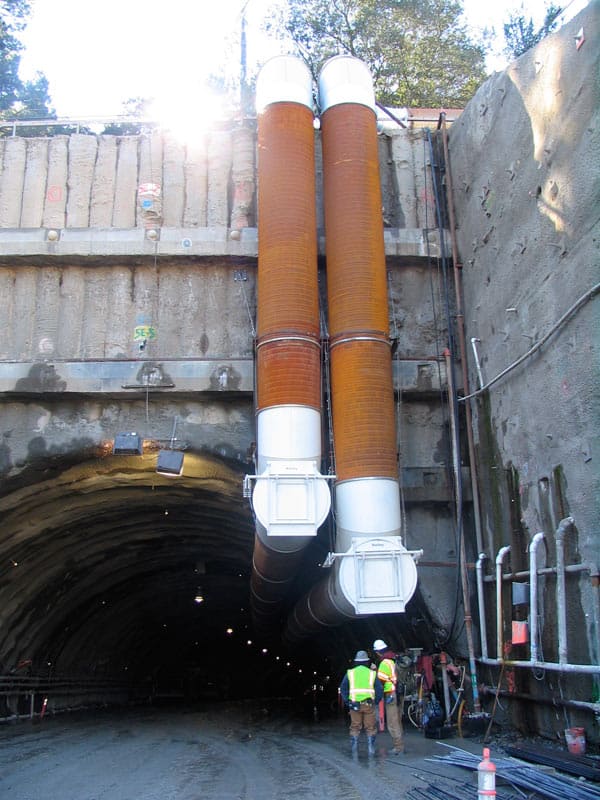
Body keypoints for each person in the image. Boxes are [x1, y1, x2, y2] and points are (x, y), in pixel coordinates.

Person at [339, 650, 383, 755]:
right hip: (368, 705)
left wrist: (347, 701)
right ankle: (370, 748)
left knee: (355, 726)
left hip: (354, 705)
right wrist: (376, 701)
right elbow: (379, 689)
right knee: (370, 727)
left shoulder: (350, 673)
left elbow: (343, 688)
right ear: (367, 661)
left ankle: (354, 748)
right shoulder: (372, 674)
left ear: (356, 661)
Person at [373, 638, 405, 753]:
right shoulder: (393, 660)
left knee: (392, 722)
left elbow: (380, 681)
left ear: (378, 652)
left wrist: (374, 671)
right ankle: (399, 745)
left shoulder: (384, 663)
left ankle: (398, 747)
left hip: (391, 694)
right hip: (398, 693)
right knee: (397, 720)